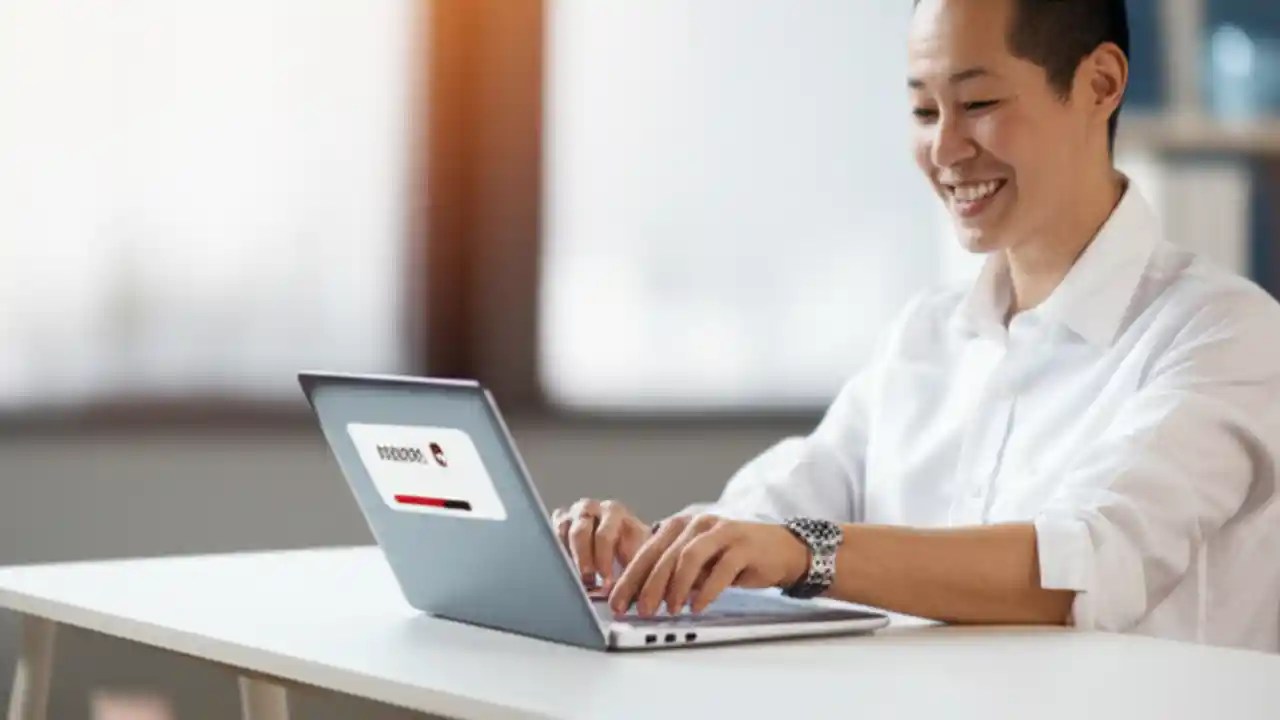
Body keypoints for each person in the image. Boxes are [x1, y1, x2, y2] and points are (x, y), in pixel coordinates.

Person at [551, 0, 1280, 652]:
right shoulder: (928, 335)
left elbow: (1081, 565)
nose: (945, 149)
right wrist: (648, 552)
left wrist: (802, 552)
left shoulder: (1225, 334)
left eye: (979, 102)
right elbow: (776, 515)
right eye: (925, 112)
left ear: (1100, 84)